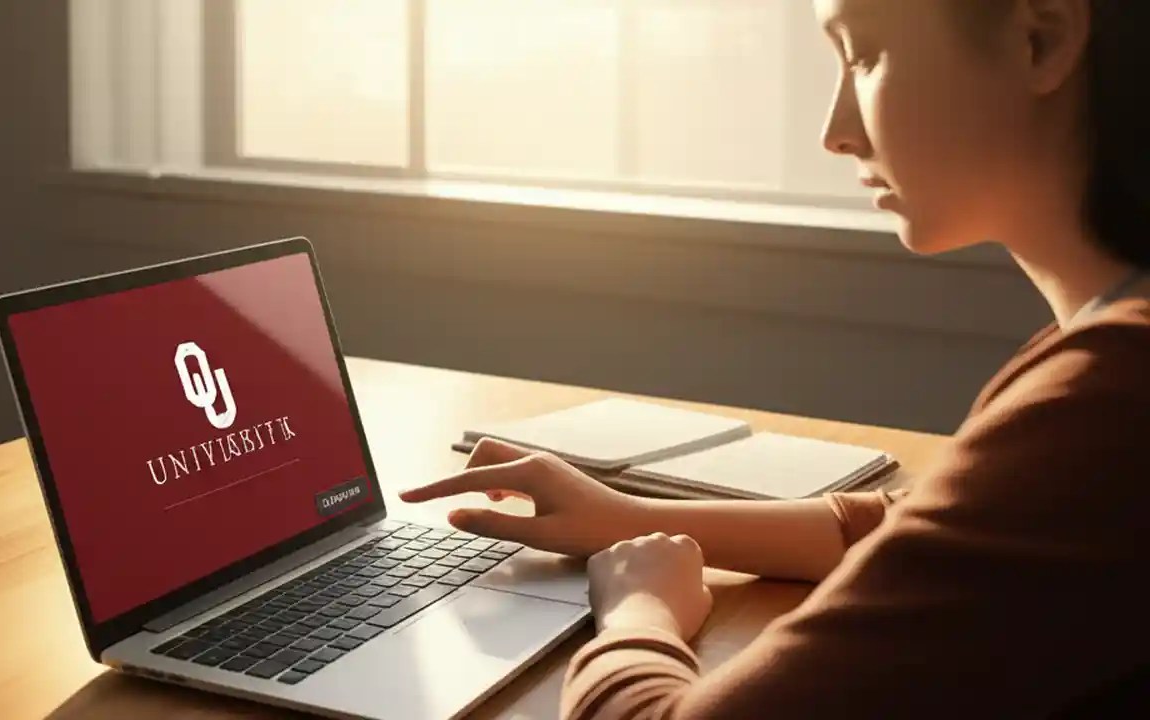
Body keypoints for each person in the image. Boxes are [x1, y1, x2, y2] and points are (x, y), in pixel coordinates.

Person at [401, 0, 1150, 717]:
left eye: (864, 55)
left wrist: (638, 611)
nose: (835, 131)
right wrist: (628, 516)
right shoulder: (1103, 354)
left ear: (1041, 39)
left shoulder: (1109, 401)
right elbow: (915, 526)